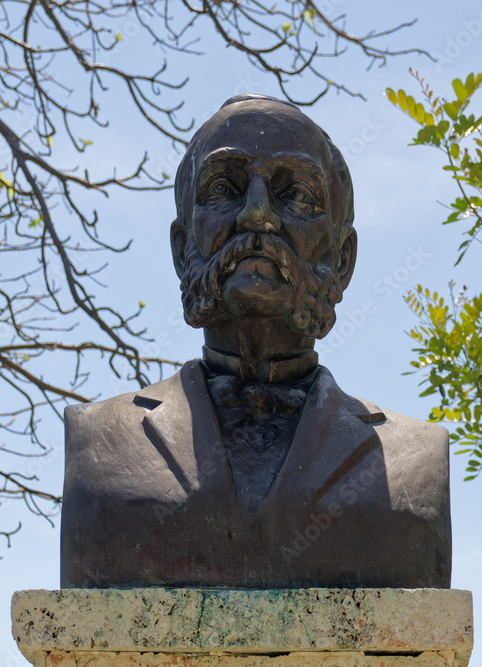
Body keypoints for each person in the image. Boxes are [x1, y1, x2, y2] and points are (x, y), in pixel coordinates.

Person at [61, 95, 451, 589]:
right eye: (225, 187)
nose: (258, 216)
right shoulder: (100, 442)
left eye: (296, 194)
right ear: (183, 251)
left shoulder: (414, 458)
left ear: (343, 261)